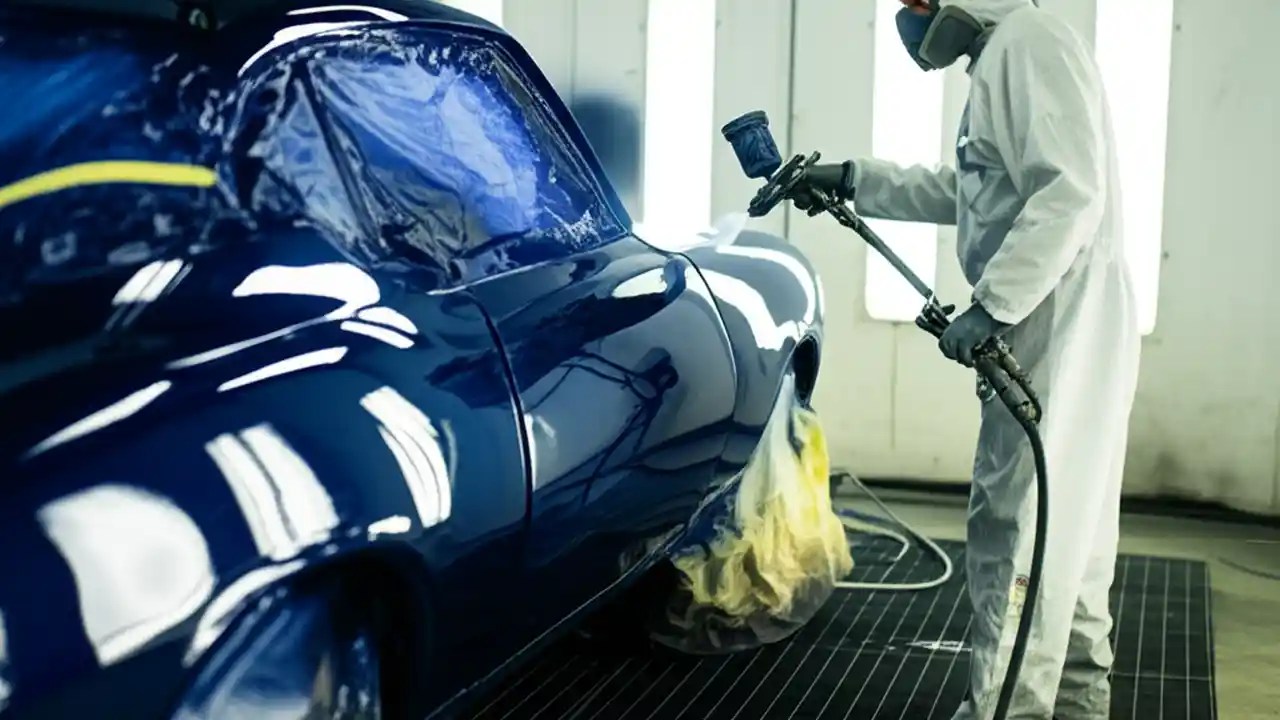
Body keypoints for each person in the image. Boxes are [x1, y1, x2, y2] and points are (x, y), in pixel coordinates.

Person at [797, 0, 1141, 717]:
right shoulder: (1003, 54)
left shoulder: (1028, 43)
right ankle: (1077, 704)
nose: (909, 15)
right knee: (1067, 531)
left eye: (916, 1)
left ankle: (1002, 709)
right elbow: (974, 190)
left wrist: (993, 306)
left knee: (1018, 529)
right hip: (1060, 316)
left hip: (1053, 320)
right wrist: (851, 177)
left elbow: (1070, 191)